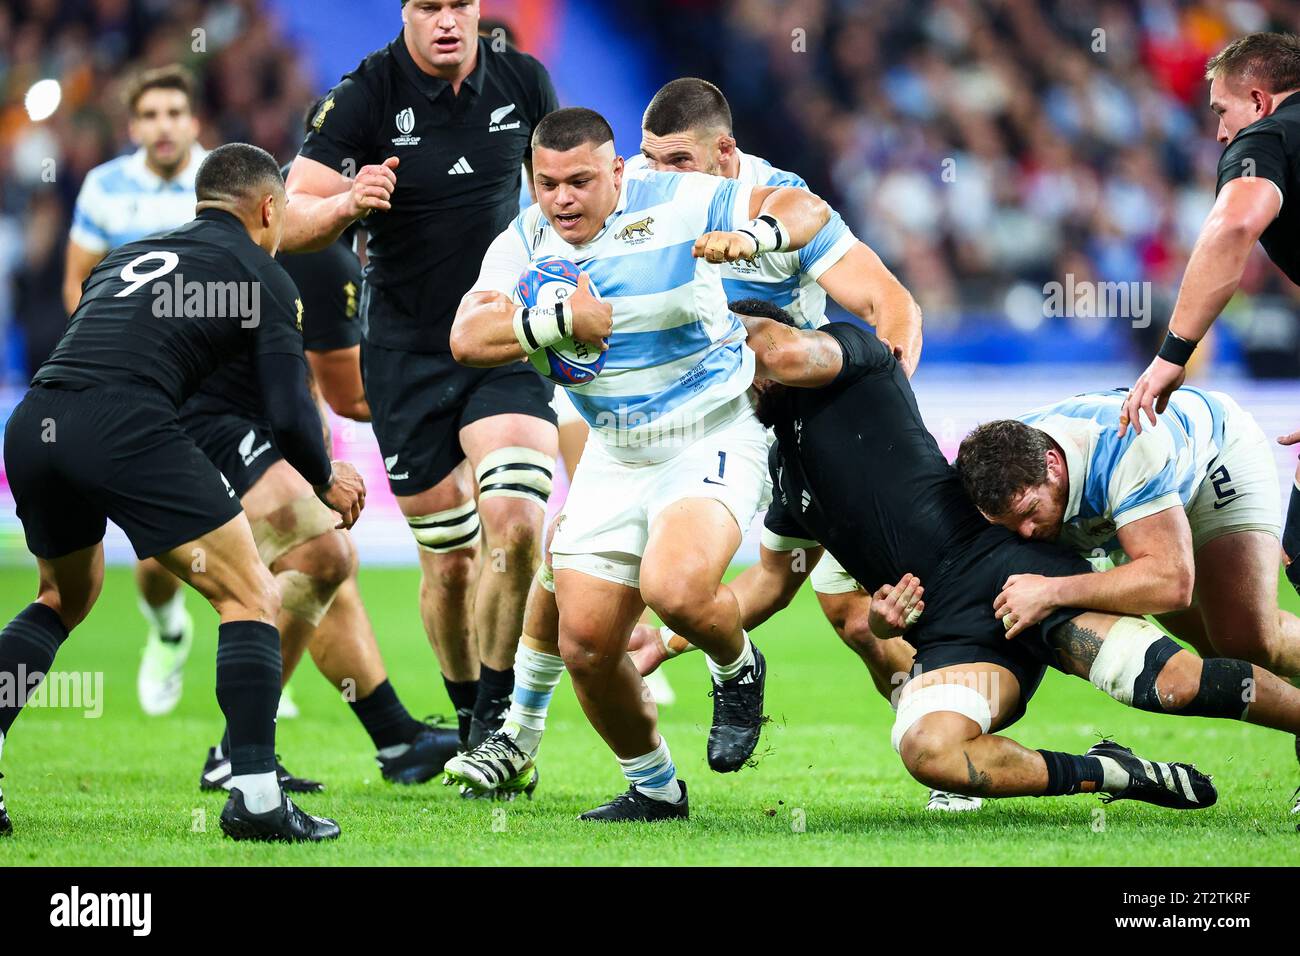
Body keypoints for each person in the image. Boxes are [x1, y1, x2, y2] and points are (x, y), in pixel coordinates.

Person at [447, 77, 935, 803]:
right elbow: (465, 335)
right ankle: (645, 781)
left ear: (718, 155)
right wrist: (553, 323)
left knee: (845, 606)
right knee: (584, 630)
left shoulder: (702, 196)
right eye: (547, 183)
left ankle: (943, 743)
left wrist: (886, 415)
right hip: (618, 430)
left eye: (581, 179)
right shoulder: (548, 227)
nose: (563, 196)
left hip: (758, 418)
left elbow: (879, 291)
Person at [713, 299, 1300, 812]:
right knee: (928, 751)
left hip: (1048, 559)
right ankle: (1112, 771)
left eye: (747, 359)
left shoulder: (857, 366)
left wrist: (693, 307)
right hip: (955, 634)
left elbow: (1170, 581)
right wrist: (669, 639)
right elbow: (772, 582)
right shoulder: (786, 477)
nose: (746, 376)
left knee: (1199, 667)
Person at [1, 144, 364, 841]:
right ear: (268, 209)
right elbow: (290, 413)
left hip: (37, 420)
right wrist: (325, 477)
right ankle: (256, 798)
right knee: (250, 594)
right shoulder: (264, 275)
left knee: (60, 598)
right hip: (124, 422)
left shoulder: (129, 254)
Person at [281, 0, 562, 751]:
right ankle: (471, 716)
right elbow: (283, 212)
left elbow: (567, 192)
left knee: (517, 526)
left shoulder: (525, 81)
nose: (446, 20)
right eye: (428, 6)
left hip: (501, 339)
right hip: (405, 355)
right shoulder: (367, 93)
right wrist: (347, 201)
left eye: (458, 5)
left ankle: (503, 725)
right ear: (405, 13)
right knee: (453, 565)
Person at [183, 137, 462, 793]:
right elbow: (346, 395)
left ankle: (393, 736)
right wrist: (455, 395)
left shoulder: (238, 248)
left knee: (325, 560)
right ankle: (238, 750)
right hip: (201, 432)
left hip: (171, 423)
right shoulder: (316, 261)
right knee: (317, 555)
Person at [955, 389, 1300, 687]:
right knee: (1216, 654)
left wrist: (1051, 591)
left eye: (1031, 511)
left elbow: (1171, 584)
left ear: (1053, 465)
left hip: (1214, 460)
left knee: (1245, 640)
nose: (1026, 532)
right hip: (1129, 504)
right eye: (1008, 524)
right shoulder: (994, 472)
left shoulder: (1121, 448)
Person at [1119, 32, 1300, 600]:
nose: (1222, 132)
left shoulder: (1269, 136)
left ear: (1259, 100)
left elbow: (1234, 225)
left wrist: (1174, 355)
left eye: (1223, 111)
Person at [63, 64, 211, 717]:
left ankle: (270, 669)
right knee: (159, 551)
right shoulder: (104, 187)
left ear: (193, 121)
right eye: (150, 116)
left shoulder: (220, 179)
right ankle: (169, 630)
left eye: (174, 113)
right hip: (135, 387)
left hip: (210, 384)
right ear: (133, 126)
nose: (163, 127)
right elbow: (77, 280)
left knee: (270, 526)